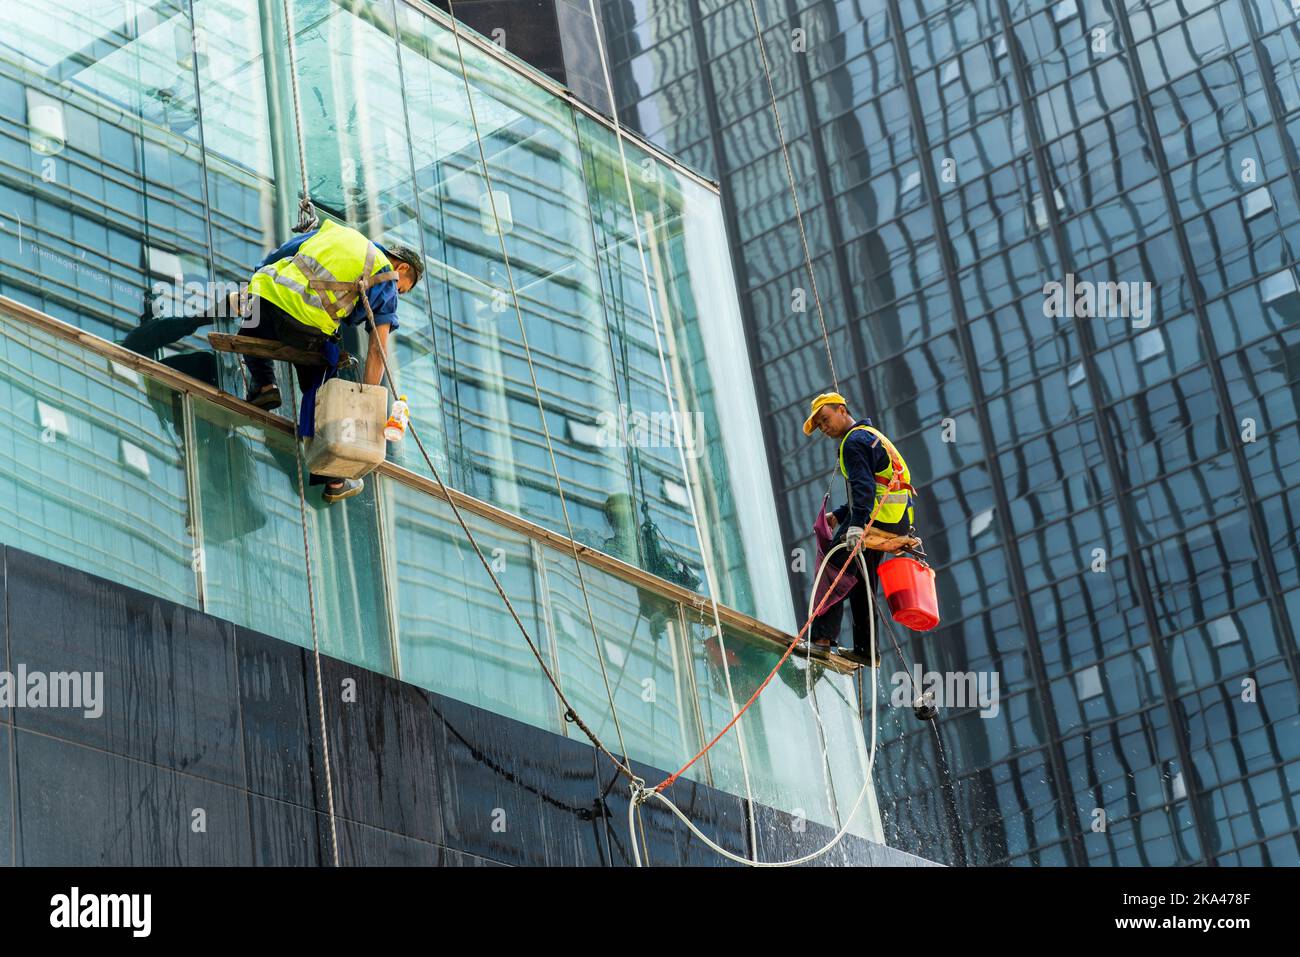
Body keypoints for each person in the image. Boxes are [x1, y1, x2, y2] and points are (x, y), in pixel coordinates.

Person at [237, 219, 423, 502]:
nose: (398, 293)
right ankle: (332, 478)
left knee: (251, 324)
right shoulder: (385, 276)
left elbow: (277, 256)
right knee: (321, 381)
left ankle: (264, 384)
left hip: (265, 298)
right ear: (402, 268)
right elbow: (377, 351)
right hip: (305, 325)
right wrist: (365, 403)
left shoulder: (336, 232)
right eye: (403, 289)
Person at [803, 392, 916, 666]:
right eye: (819, 425)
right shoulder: (870, 435)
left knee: (833, 565)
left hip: (875, 520)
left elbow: (864, 487)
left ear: (842, 410)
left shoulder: (854, 441)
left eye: (826, 419)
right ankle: (867, 650)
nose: (824, 427)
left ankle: (821, 639)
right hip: (894, 521)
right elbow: (873, 485)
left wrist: (855, 525)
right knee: (862, 584)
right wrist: (842, 514)